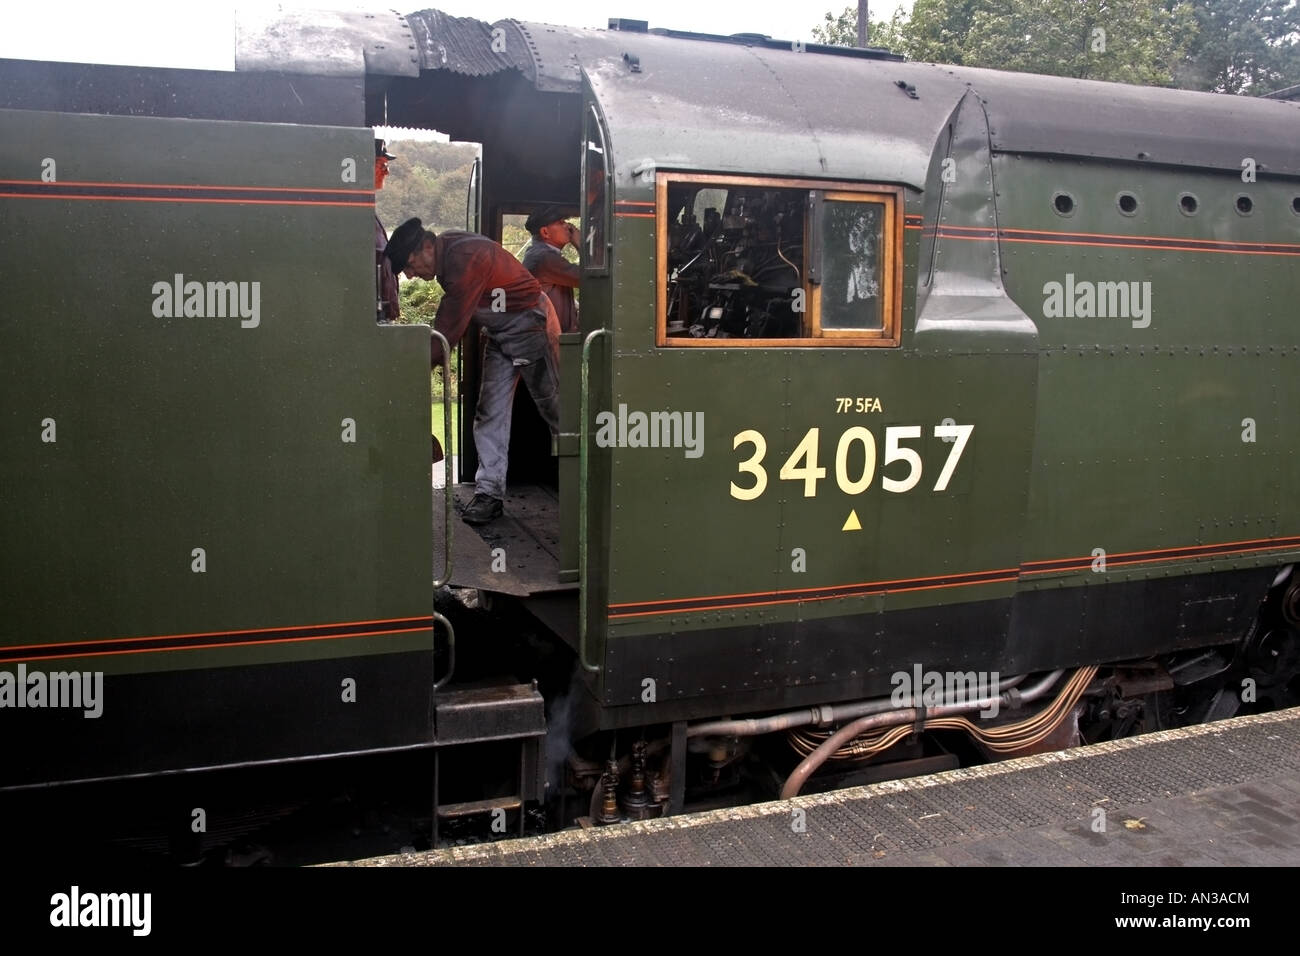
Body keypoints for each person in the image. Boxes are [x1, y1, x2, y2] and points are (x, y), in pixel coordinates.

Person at [386, 218, 560, 526]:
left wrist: (411, 376)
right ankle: (489, 494)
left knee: (554, 405)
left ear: (427, 246)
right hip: (500, 333)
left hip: (529, 323)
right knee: (489, 412)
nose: (411, 275)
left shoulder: (461, 259)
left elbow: (447, 329)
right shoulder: (446, 251)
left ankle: (590, 482)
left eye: (410, 265)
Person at [521, 205, 581, 333]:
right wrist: (581, 245)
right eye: (561, 223)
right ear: (545, 232)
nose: (568, 226)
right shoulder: (544, 258)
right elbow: (587, 278)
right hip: (545, 339)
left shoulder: (539, 254)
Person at [374, 140, 400, 322]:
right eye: (381, 164)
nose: (387, 171)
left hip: (379, 309)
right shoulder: (356, 211)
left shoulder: (367, 210)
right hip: (372, 312)